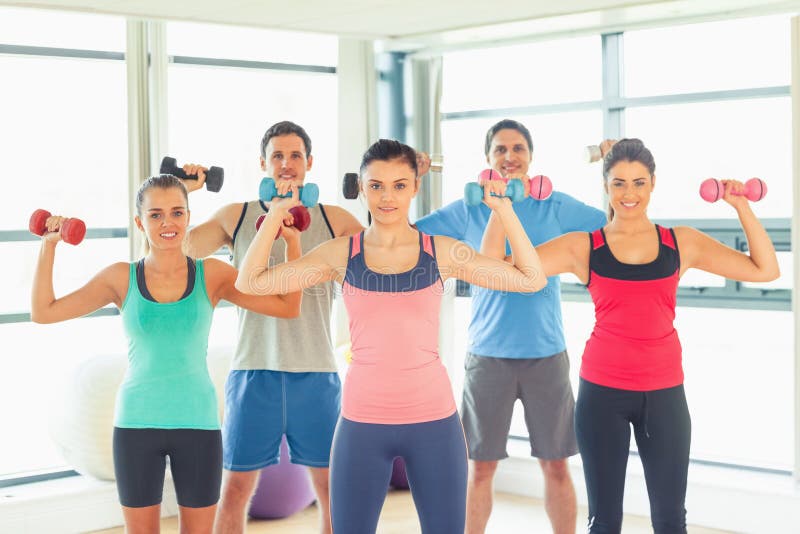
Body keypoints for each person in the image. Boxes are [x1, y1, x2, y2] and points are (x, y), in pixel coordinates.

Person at [234, 138, 546, 533]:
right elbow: (251, 282)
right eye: (376, 185)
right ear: (361, 189)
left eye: (399, 185)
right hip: (362, 425)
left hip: (434, 423)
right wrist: (277, 213)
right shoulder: (340, 254)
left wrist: (503, 210)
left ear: (415, 187)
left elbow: (530, 279)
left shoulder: (443, 252)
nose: (387, 197)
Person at [481, 138, 780, 533]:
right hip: (602, 393)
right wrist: (500, 211)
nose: (629, 193)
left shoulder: (681, 242)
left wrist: (742, 207)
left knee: (671, 521)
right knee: (604, 522)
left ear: (653, 183)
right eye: (619, 183)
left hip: (665, 393)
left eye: (639, 183)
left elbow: (765, 270)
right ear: (606, 187)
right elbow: (493, 271)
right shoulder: (583, 247)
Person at [31, 175, 302, 534]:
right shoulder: (121, 278)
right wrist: (49, 246)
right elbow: (44, 311)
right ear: (140, 223)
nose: (167, 223)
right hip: (135, 426)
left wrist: (293, 244)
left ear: (189, 217)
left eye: (176, 212)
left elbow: (286, 307)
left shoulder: (212, 274)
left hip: (198, 425)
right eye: (156, 215)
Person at [414, 118, 607, 534]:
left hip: (546, 355)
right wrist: (411, 178)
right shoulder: (467, 209)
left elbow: (611, 228)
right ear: (487, 160)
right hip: (487, 357)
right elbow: (409, 238)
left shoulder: (554, 206)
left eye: (517, 148)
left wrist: (611, 172)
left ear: (531, 158)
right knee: (480, 469)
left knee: (556, 465)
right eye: (500, 150)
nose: (509, 156)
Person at [179, 121, 363, 534]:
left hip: (315, 371)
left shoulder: (335, 220)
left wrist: (379, 192)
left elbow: (386, 256)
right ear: (263, 163)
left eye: (295, 155)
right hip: (253, 371)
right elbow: (179, 250)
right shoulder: (237, 216)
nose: (286, 164)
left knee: (332, 490)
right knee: (235, 490)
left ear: (309, 163)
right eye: (277, 156)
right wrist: (182, 193)